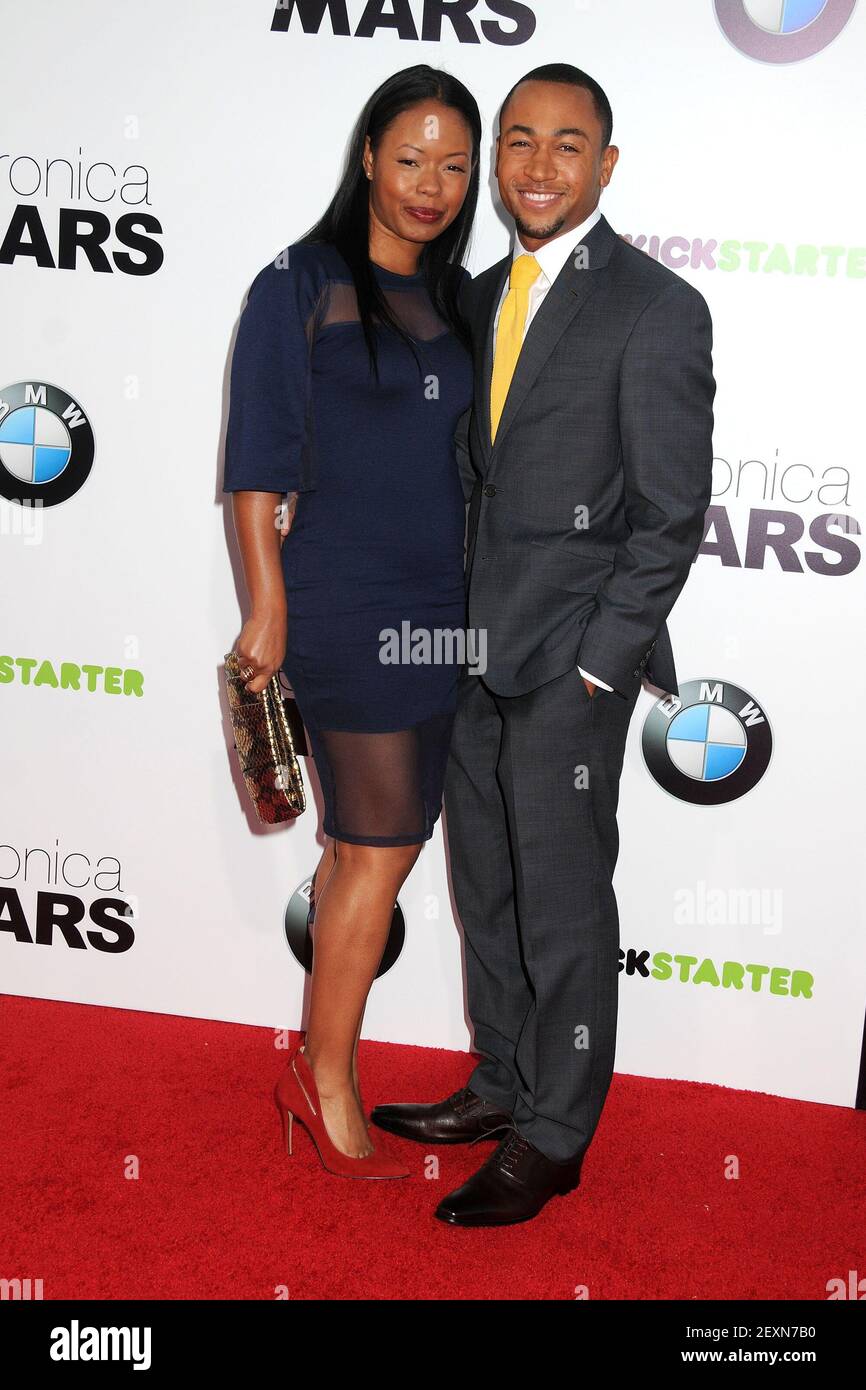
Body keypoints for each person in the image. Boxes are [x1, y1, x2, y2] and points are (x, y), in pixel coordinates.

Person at [372, 63, 716, 1224]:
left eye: (565, 145)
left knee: (563, 901)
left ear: (605, 165)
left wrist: (595, 661)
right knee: (487, 882)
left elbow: (667, 517)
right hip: (469, 647)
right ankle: (501, 1082)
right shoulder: (472, 297)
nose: (533, 166)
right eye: (514, 141)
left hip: (570, 661)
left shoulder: (657, 309)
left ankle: (556, 1133)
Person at [223, 65, 480, 1179]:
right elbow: (256, 461)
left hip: (447, 613)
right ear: (369, 152)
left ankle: (319, 1058)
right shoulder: (302, 281)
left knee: (373, 848)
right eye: (411, 156)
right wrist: (265, 611)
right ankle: (323, 1075)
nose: (431, 184)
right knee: (372, 852)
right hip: (342, 604)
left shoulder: (461, 299)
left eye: (454, 164)